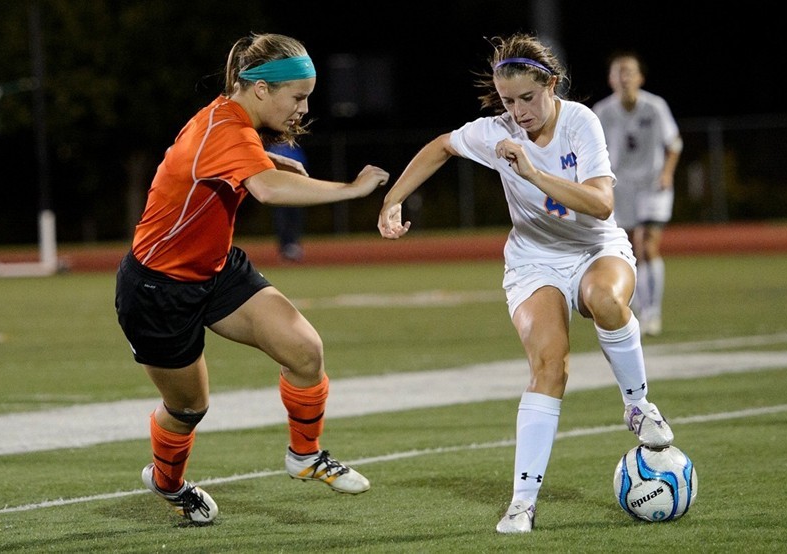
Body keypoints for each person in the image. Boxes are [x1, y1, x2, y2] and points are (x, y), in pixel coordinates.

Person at [377, 33, 674, 534]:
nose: (518, 111)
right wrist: (392, 200)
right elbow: (441, 147)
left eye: (527, 99)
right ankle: (522, 503)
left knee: (605, 298)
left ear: (551, 86)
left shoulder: (582, 121)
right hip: (534, 260)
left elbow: (601, 204)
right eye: (507, 100)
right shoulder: (497, 131)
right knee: (549, 364)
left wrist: (533, 173)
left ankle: (638, 406)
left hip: (595, 246)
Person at [115, 33, 389, 525]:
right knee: (188, 408)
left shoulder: (230, 117)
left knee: (304, 350)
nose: (303, 108)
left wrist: (263, 159)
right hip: (159, 289)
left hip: (216, 270)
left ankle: (305, 457)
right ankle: (167, 481)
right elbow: (267, 190)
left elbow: (231, 166)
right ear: (261, 89)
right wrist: (352, 190)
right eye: (298, 97)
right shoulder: (229, 129)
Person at [592, 51, 682, 336]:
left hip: (652, 185)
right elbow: (591, 152)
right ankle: (638, 308)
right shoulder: (602, 112)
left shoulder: (655, 107)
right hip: (620, 188)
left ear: (640, 77)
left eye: (629, 71)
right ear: (610, 79)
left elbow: (674, 144)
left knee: (647, 244)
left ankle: (652, 311)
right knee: (629, 249)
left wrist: (666, 173)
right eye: (618, 72)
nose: (624, 77)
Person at [266, 141, 308, 262]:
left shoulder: (293, 148)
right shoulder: (273, 149)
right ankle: (285, 247)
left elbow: (302, 165)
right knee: (281, 221)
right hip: (280, 192)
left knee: (295, 219)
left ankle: (294, 245)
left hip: (295, 192)